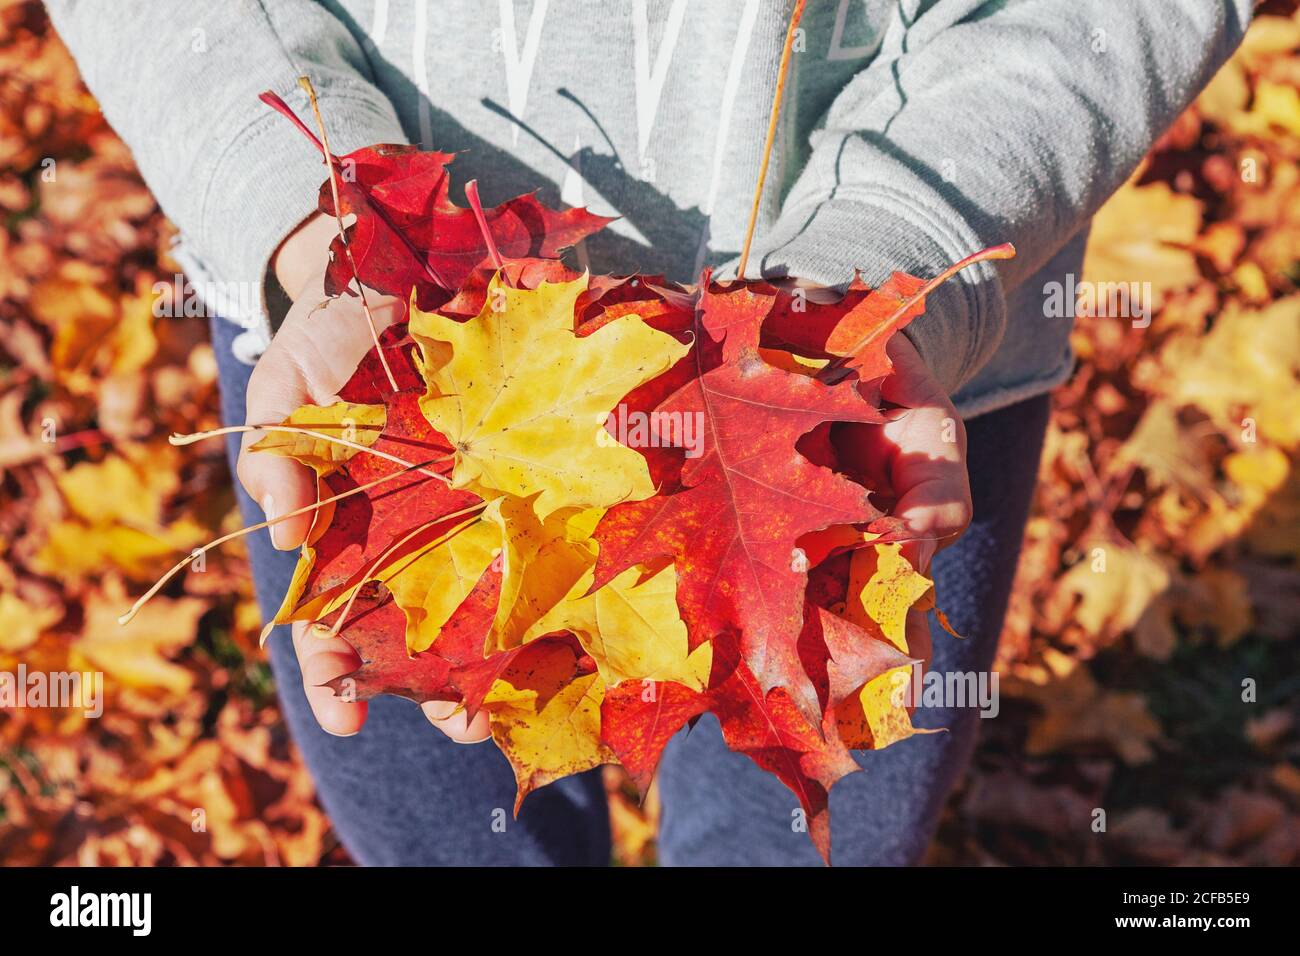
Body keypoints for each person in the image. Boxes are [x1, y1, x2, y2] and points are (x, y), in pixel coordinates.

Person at [46, 0, 1252, 865]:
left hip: (875, 391)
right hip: (386, 382)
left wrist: (891, 258)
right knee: (435, 821)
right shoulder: (354, 315)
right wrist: (326, 234)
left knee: (817, 825)